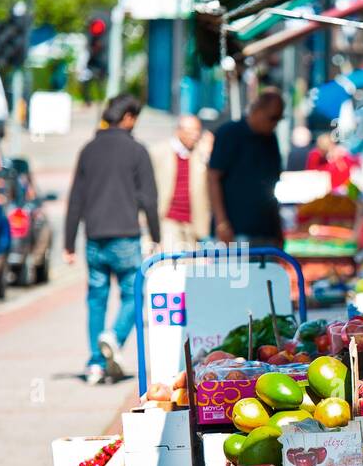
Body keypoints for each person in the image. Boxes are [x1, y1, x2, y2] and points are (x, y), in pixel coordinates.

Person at [64, 94, 159, 385]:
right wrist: (156, 236)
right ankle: (114, 337)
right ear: (128, 117)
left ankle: (95, 363)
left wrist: (68, 244)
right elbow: (149, 199)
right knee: (134, 294)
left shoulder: (88, 150)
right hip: (126, 238)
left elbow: (75, 200)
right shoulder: (137, 151)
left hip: (94, 238)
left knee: (96, 300)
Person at [208, 88, 285, 249]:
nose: (275, 123)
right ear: (258, 110)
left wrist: (278, 230)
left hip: (265, 233)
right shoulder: (229, 133)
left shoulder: (271, 141)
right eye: (272, 118)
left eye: (279, 119)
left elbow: (271, 189)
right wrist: (222, 223)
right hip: (234, 232)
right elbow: (213, 177)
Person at [150, 113, 210, 251]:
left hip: (194, 223)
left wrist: (207, 155)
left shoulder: (201, 153)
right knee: (171, 266)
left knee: (193, 269)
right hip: (168, 220)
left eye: (198, 131)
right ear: (179, 131)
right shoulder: (159, 151)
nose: (195, 135)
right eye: (191, 131)